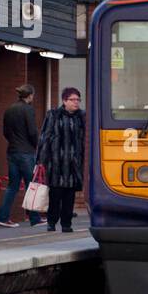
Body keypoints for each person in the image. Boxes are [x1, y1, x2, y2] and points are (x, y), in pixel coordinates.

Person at [35, 87, 86, 233]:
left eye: (78, 99)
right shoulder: (53, 115)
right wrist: (40, 161)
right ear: (64, 101)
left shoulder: (82, 117)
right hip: (56, 163)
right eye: (72, 99)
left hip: (73, 164)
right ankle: (51, 222)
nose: (76, 102)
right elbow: (45, 137)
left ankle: (66, 224)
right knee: (55, 196)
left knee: (69, 198)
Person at [0, 84, 42, 228]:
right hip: (26, 152)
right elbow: (32, 132)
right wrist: (37, 146)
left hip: (12, 151)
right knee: (31, 185)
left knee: (12, 186)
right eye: (33, 95)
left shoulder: (9, 110)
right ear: (30, 96)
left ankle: (3, 217)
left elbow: (5, 132)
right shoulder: (28, 109)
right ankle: (34, 219)